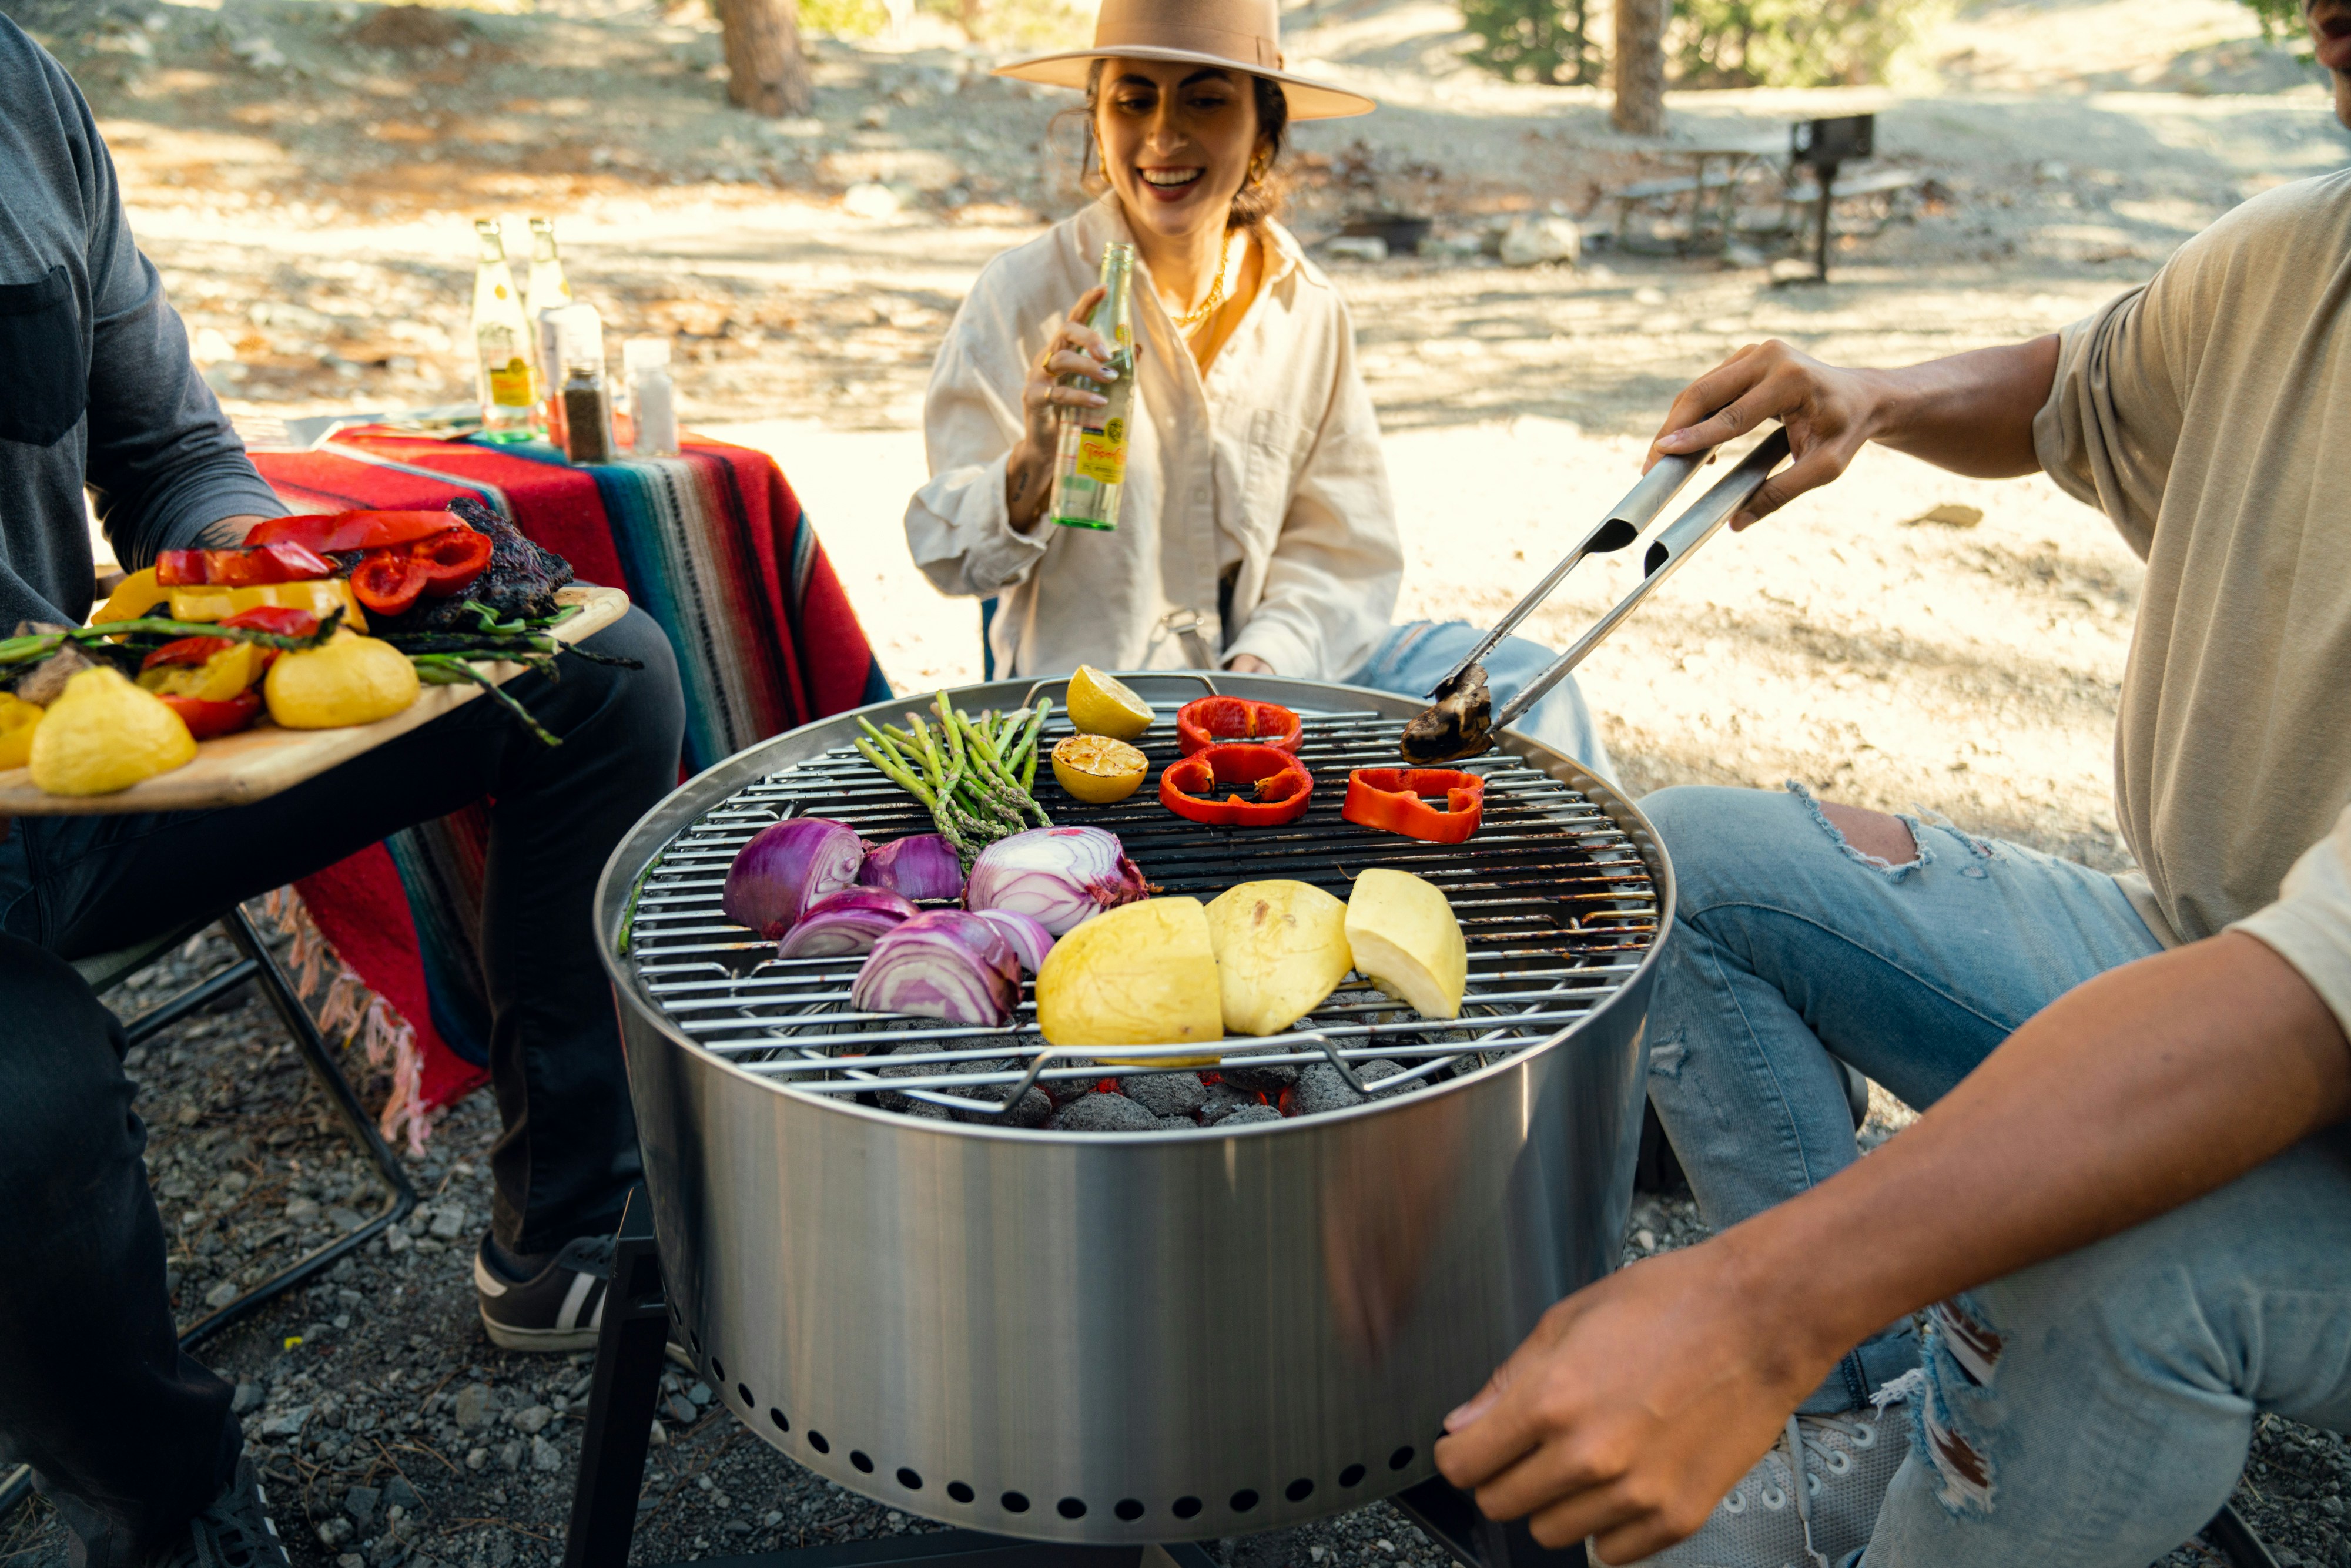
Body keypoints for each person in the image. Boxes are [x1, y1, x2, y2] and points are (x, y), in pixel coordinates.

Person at [1433, 0, 2351, 1558]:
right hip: (2208, 948)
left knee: (2118, 1265)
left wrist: (1755, 1304)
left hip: (2302, 1032)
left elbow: (2301, 1014)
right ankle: (1880, 1437)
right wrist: (1874, 393)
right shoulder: (2298, 250)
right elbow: (2074, 388)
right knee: (1690, 872)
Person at [0, 19, 686, 1565]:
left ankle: (566, 1231)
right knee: (25, 1100)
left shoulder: (20, 91)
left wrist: (253, 565)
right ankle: (173, 1512)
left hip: (81, 765)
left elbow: (169, 448)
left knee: (602, 677)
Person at [903, 0, 1613, 776]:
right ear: (1097, 124)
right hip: (1097, 717)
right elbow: (949, 559)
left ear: (1262, 134)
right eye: (1133, 100)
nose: (1163, 135)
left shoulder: (1306, 310)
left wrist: (1265, 668)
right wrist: (1034, 462)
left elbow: (1341, 548)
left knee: (1526, 683)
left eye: (1206, 100)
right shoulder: (1020, 298)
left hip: (1280, 689)